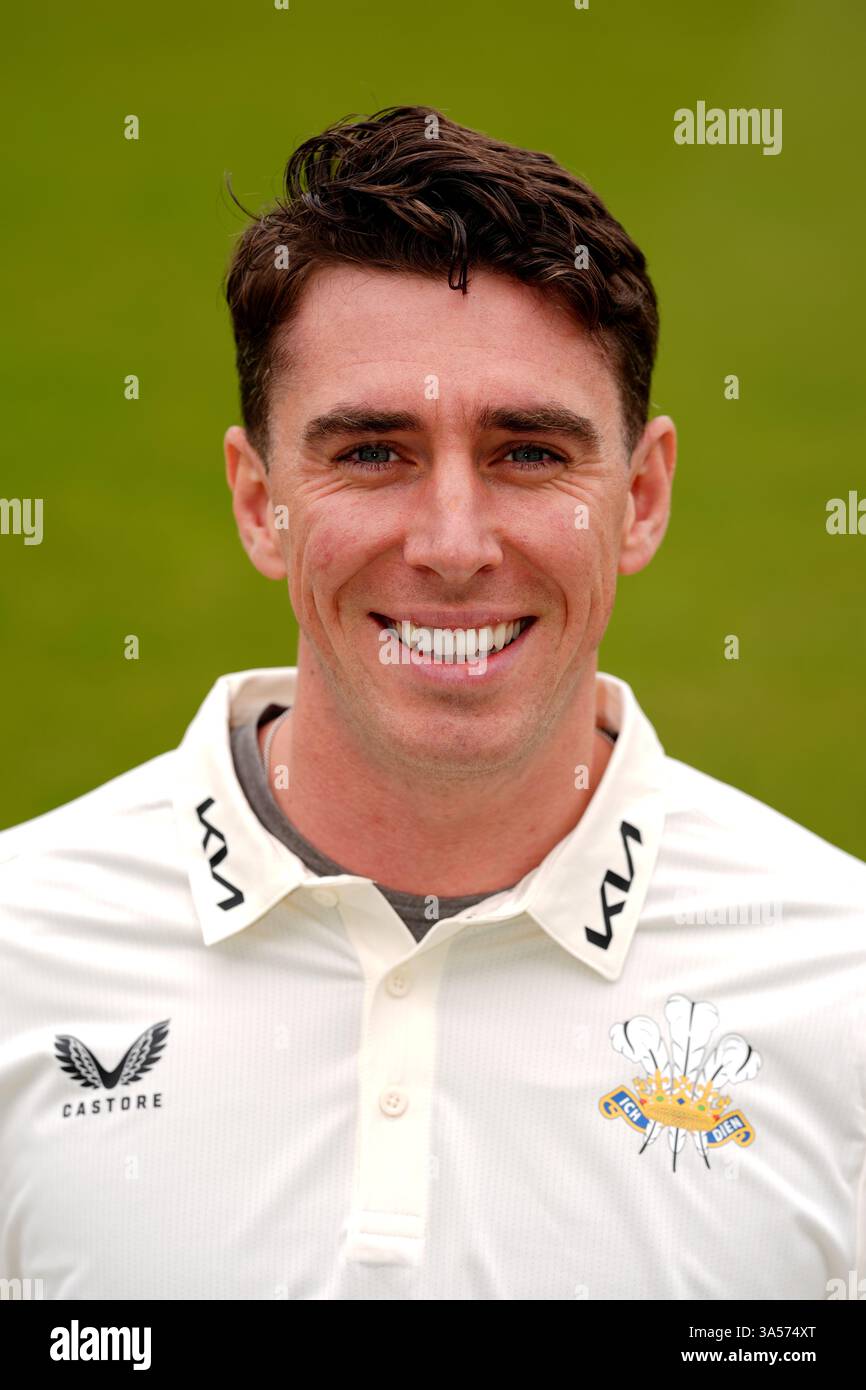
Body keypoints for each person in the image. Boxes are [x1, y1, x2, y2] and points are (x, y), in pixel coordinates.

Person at [0, 106, 863, 1302]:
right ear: (259, 502)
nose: (452, 546)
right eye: (369, 453)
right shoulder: (19, 950)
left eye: (527, 453)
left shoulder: (840, 979)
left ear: (642, 496)